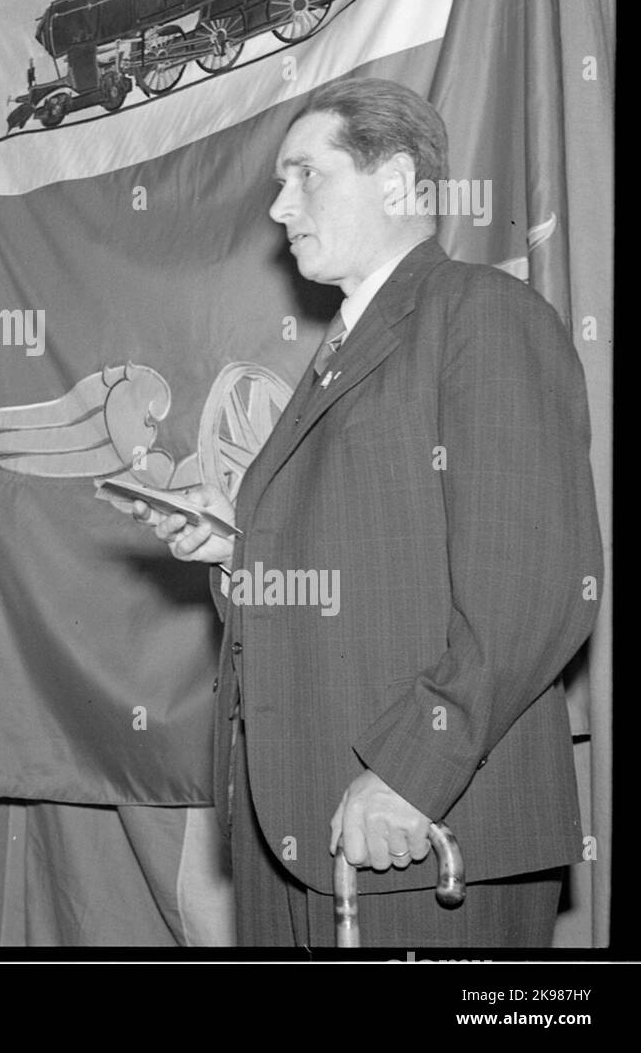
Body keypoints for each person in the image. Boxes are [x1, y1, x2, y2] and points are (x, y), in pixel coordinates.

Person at [134, 77, 601, 947]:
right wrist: (233, 548)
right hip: (302, 834)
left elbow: (534, 584)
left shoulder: (481, 314)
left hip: (416, 830)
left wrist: (413, 771)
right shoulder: (339, 356)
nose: (279, 205)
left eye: (305, 175)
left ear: (394, 183)